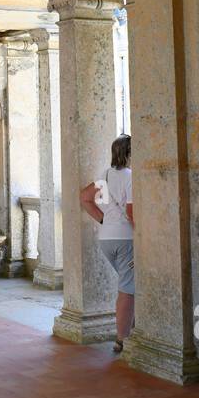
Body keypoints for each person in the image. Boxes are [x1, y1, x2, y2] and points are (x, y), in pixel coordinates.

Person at [79, 134, 134, 354]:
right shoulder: (131, 177)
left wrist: (103, 219)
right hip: (125, 239)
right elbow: (131, 213)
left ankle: (131, 328)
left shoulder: (105, 175)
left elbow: (84, 197)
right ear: (130, 153)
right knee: (127, 290)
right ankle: (121, 339)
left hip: (106, 239)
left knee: (128, 284)